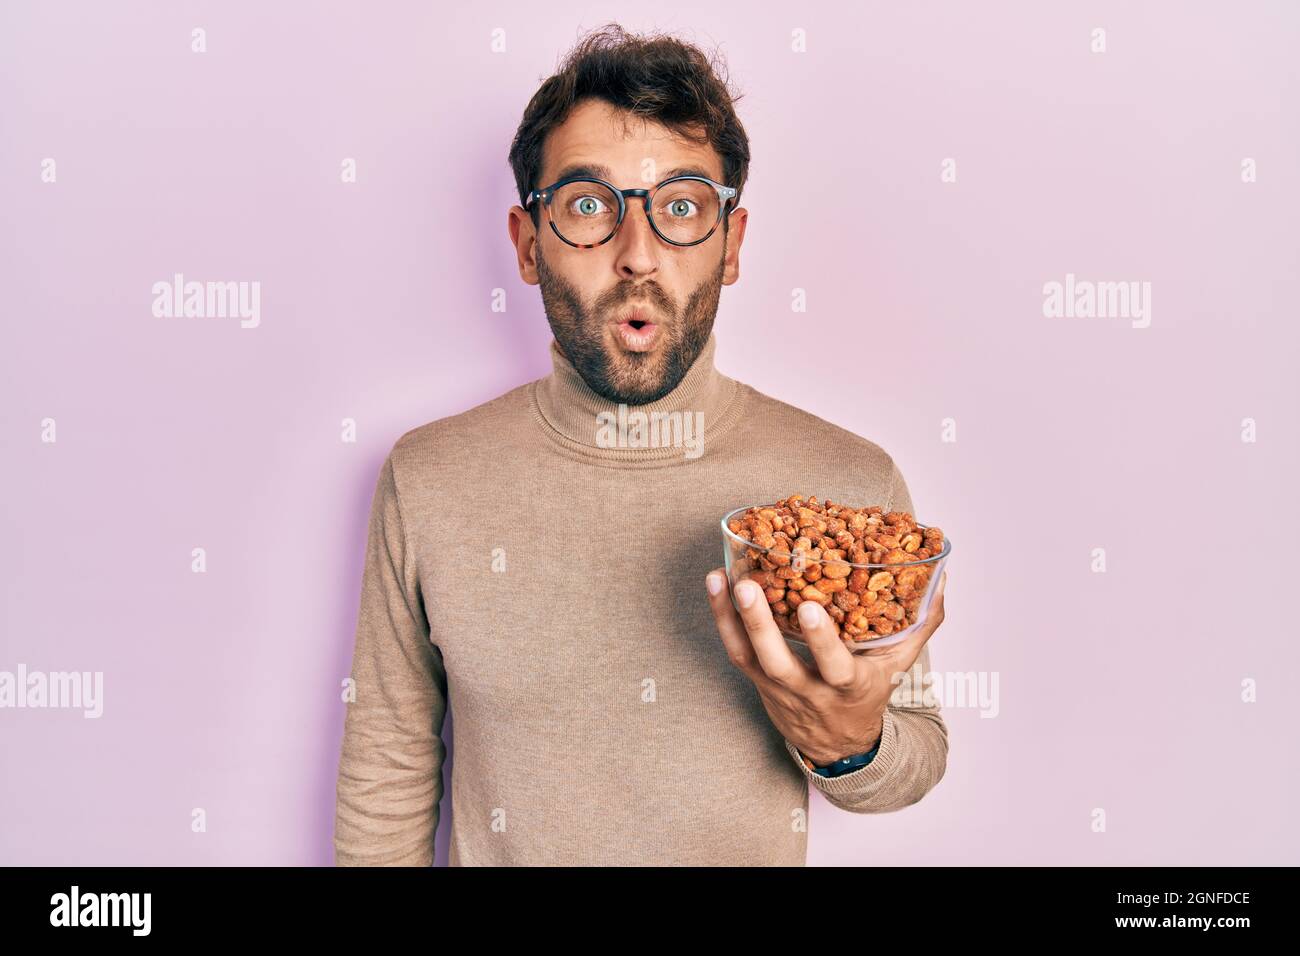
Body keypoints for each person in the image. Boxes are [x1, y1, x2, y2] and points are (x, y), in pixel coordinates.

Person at [334, 23, 948, 867]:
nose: (638, 255)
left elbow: (912, 757)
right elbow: (389, 772)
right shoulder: (427, 478)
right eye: (589, 206)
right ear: (526, 243)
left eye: (683, 207)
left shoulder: (845, 483)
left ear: (731, 247)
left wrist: (850, 742)